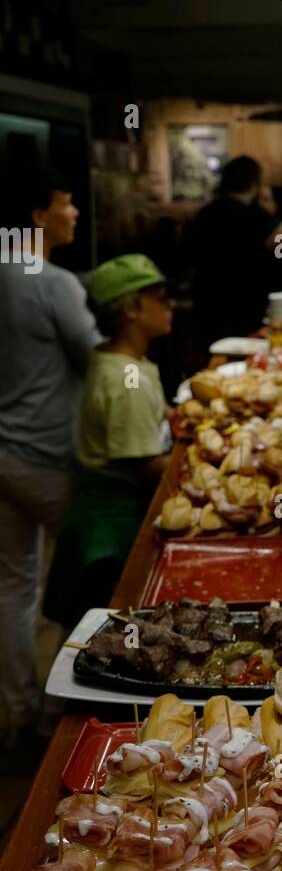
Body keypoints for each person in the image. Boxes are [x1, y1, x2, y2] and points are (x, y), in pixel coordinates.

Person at [0, 166, 99, 747]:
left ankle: (15, 720)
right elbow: (95, 357)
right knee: (84, 580)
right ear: (39, 217)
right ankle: (70, 711)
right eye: (67, 203)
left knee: (14, 588)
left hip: (3, 454)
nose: (75, 213)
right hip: (48, 458)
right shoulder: (53, 281)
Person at [44, 255, 174, 626]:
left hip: (100, 514)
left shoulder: (119, 361)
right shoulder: (125, 380)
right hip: (111, 530)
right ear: (132, 308)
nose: (171, 306)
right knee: (103, 632)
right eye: (161, 297)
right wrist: (198, 459)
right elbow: (145, 466)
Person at [187, 156, 282, 350]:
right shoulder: (248, 215)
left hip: (207, 312)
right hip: (243, 318)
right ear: (254, 183)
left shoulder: (204, 215)